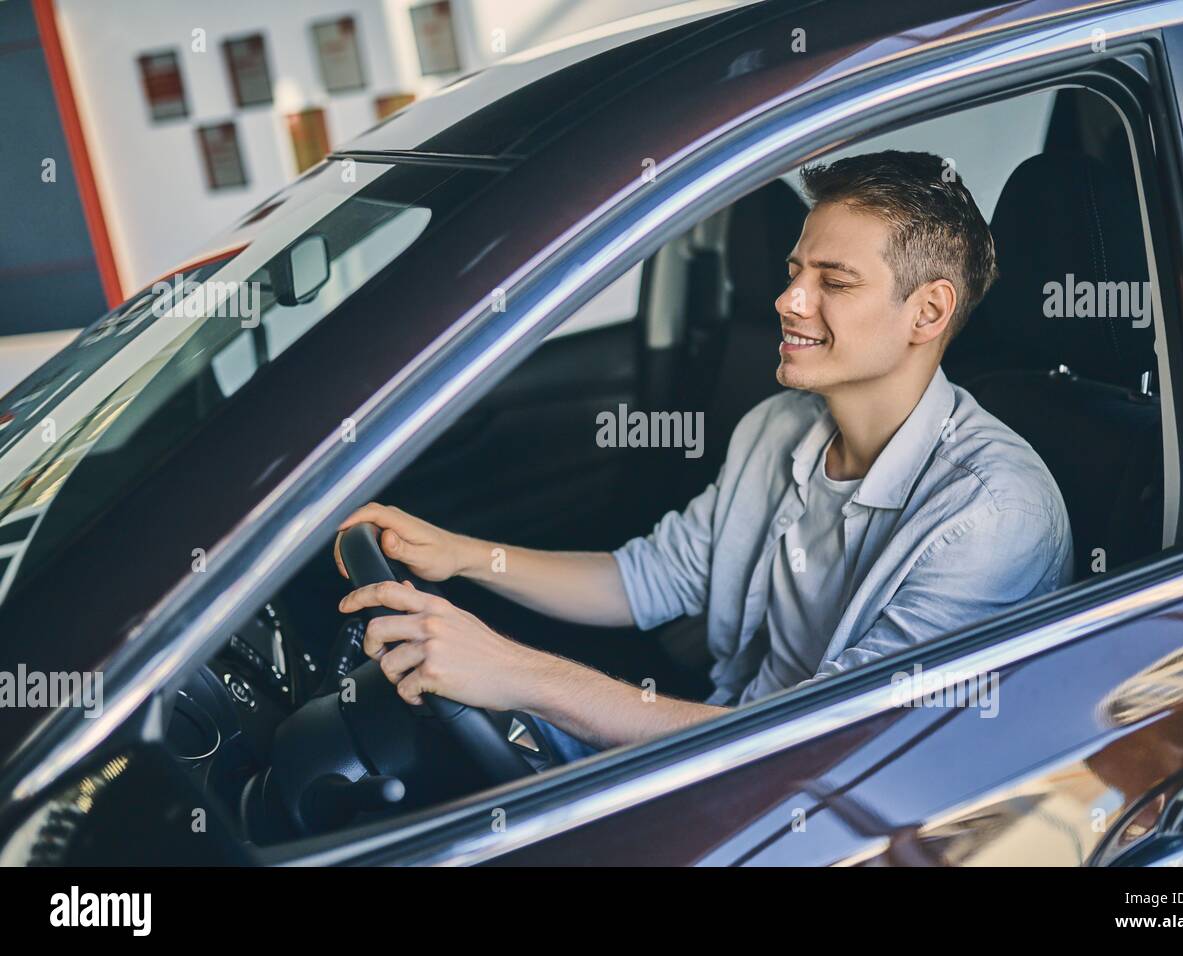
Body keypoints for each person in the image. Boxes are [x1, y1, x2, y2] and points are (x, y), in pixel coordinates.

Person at [336, 150, 1073, 761]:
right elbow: (643, 579)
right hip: (723, 751)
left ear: (929, 311)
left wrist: (516, 672)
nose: (789, 300)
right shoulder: (778, 427)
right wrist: (461, 556)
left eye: (833, 282)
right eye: (795, 271)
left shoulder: (990, 517)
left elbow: (820, 748)